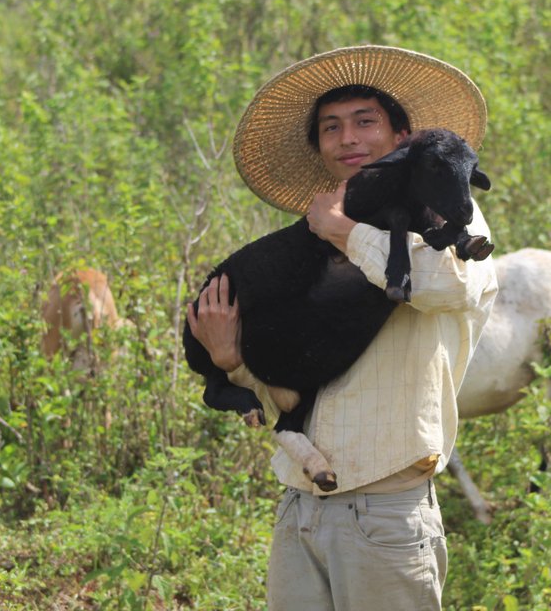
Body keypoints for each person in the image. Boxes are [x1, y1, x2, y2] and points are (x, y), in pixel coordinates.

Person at [186, 45, 498, 610]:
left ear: (404, 138)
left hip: (386, 511)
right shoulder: (314, 244)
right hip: (302, 504)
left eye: (365, 121)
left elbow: (448, 288)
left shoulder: (451, 218)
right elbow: (295, 379)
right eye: (331, 128)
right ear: (319, 148)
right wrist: (233, 362)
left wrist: (345, 234)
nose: (347, 138)